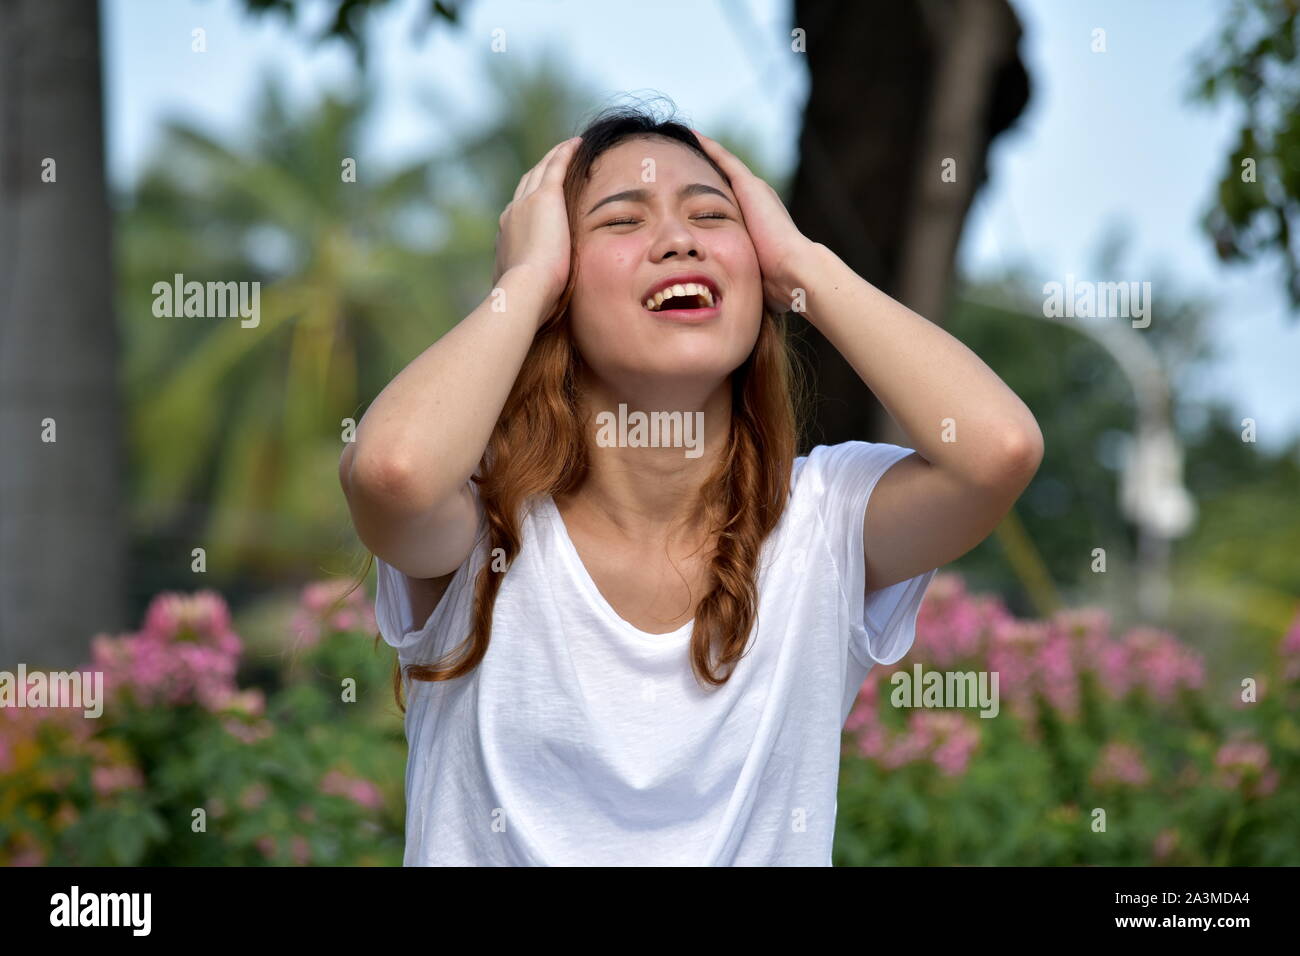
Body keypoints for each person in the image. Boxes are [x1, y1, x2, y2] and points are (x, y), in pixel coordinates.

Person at [338, 106, 1043, 866]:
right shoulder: (482, 526)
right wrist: (525, 281)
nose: (680, 240)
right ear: (560, 287)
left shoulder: (824, 519)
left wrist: (804, 264)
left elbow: (997, 450)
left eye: (711, 216)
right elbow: (392, 471)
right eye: (621, 221)